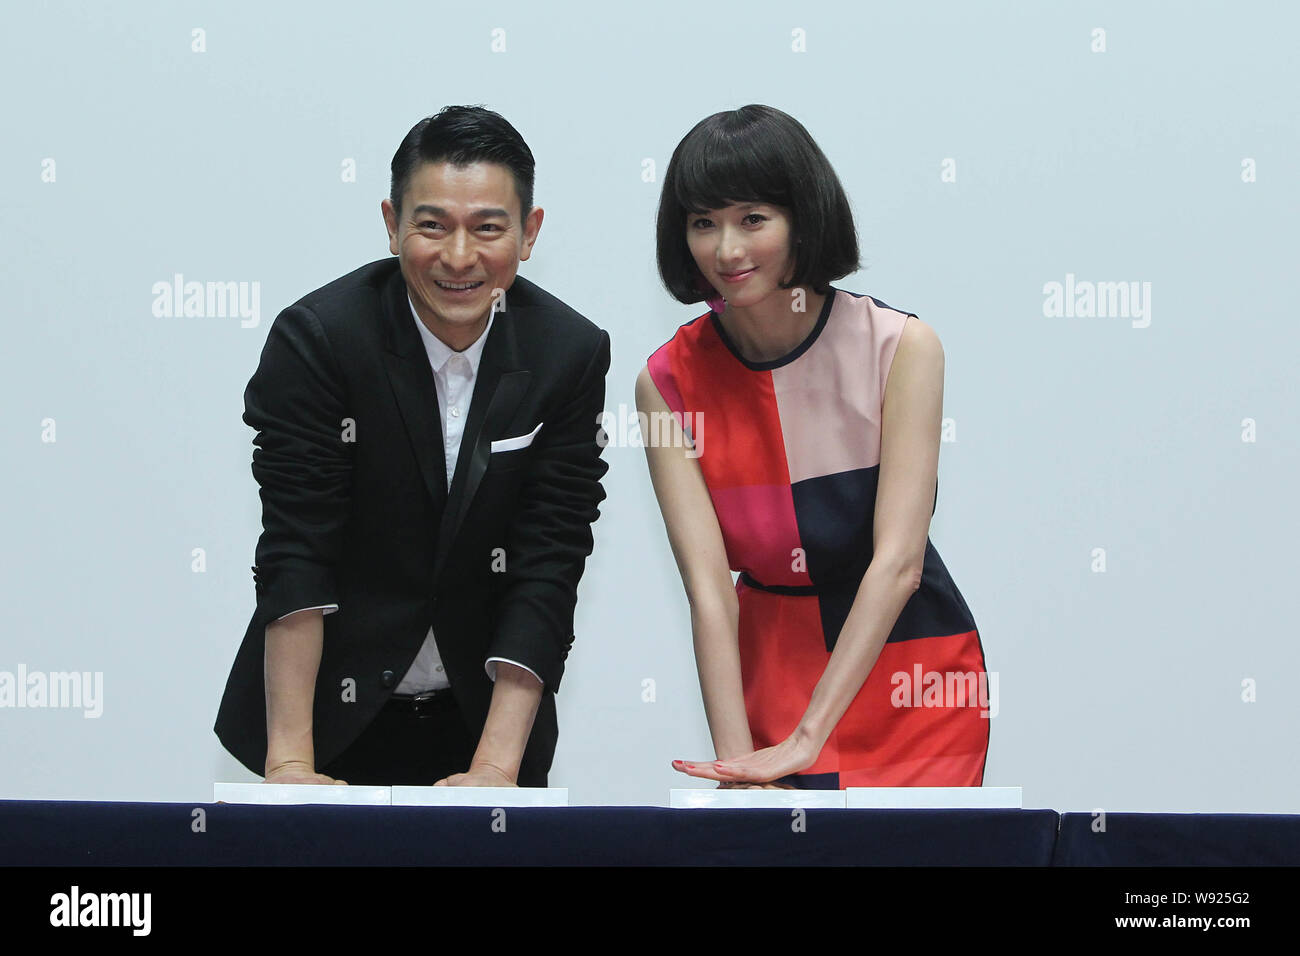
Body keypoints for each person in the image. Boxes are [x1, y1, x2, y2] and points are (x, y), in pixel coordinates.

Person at [215, 105, 610, 789]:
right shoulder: (320, 340)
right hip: (327, 724)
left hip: (482, 726)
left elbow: (549, 561)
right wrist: (290, 766)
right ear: (392, 225)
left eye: (488, 228)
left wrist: (494, 768)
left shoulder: (567, 354)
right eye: (432, 225)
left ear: (529, 232)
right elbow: (297, 548)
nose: (459, 257)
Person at [637, 105, 989, 789]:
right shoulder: (665, 383)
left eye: (753, 219)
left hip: (912, 679)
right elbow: (710, 590)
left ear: (803, 219)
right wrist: (738, 764)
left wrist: (808, 738)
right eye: (703, 223)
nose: (727, 249)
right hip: (771, 673)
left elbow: (898, 565)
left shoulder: (901, 348)